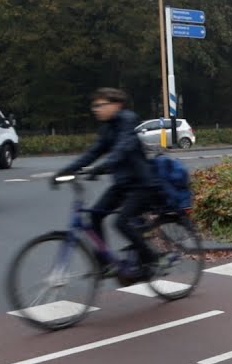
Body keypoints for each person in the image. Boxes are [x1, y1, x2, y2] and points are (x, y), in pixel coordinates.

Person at [56, 88, 158, 281]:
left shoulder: (128, 120)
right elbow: (93, 152)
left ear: (116, 104)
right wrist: (65, 170)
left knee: (120, 222)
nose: (96, 109)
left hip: (141, 184)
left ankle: (150, 258)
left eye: (100, 105)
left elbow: (122, 148)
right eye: (94, 106)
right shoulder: (107, 127)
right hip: (122, 185)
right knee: (95, 216)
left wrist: (101, 167)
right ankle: (105, 264)